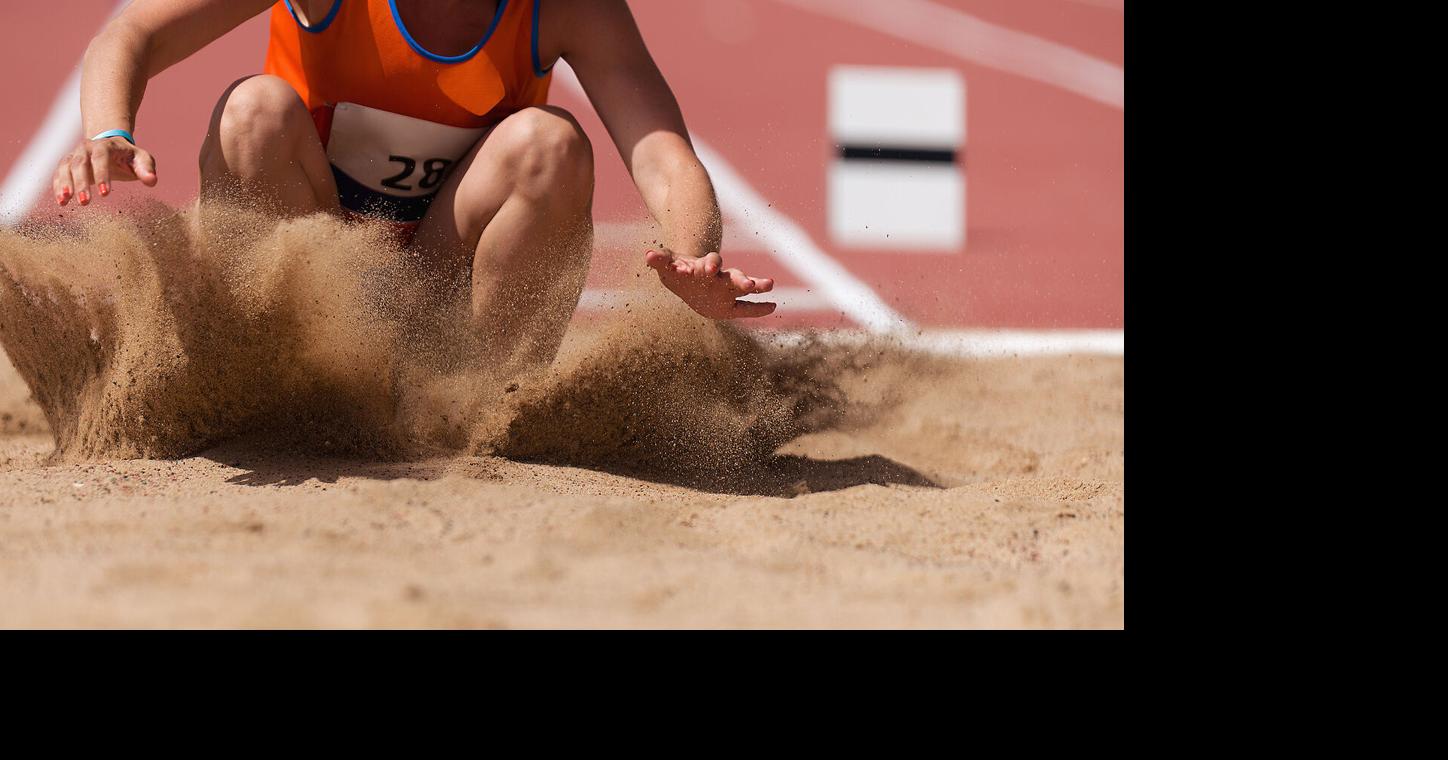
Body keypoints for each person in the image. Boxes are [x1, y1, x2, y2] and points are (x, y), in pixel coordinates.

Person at [54, 0, 777, 371]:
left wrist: (695, 256)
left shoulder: (566, 8)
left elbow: (661, 153)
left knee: (552, 144)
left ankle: (484, 404)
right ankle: (261, 377)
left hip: (439, 288)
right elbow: (131, 34)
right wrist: (108, 131)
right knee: (254, 112)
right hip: (311, 265)